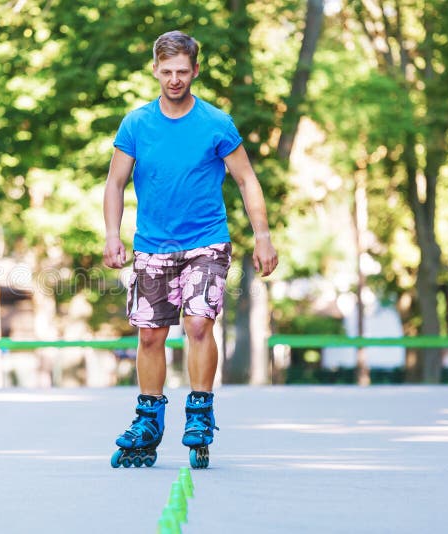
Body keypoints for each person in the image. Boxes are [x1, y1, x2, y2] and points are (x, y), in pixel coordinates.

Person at [103, 30, 278, 468]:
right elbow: (115, 183)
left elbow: (246, 179)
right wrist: (112, 234)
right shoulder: (136, 124)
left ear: (196, 70)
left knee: (199, 323)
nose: (175, 79)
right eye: (167, 72)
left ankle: (200, 411)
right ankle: (148, 419)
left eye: (183, 71)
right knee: (149, 334)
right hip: (151, 246)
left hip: (207, 241)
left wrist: (263, 235)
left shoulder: (216, 123)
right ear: (155, 70)